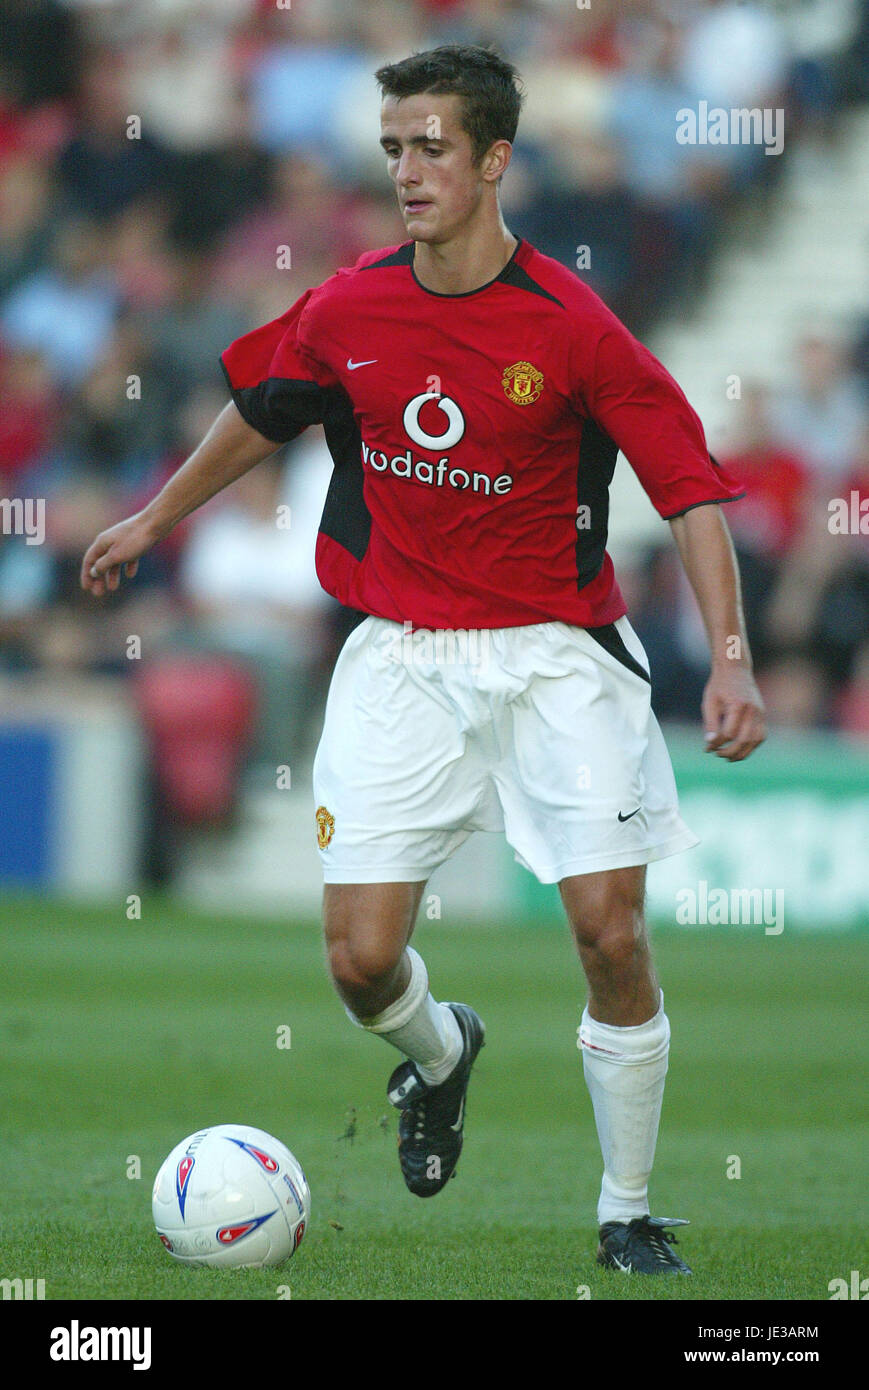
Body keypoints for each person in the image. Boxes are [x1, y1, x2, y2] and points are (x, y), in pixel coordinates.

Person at [81, 45, 766, 1277]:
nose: (405, 170)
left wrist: (728, 659)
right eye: (393, 147)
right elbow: (261, 409)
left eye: (430, 146)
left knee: (609, 934)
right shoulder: (348, 304)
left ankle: (622, 1209)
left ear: (494, 160)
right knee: (355, 962)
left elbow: (693, 494)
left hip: (558, 657)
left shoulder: (571, 326)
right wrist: (152, 518)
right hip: (399, 657)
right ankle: (443, 1053)